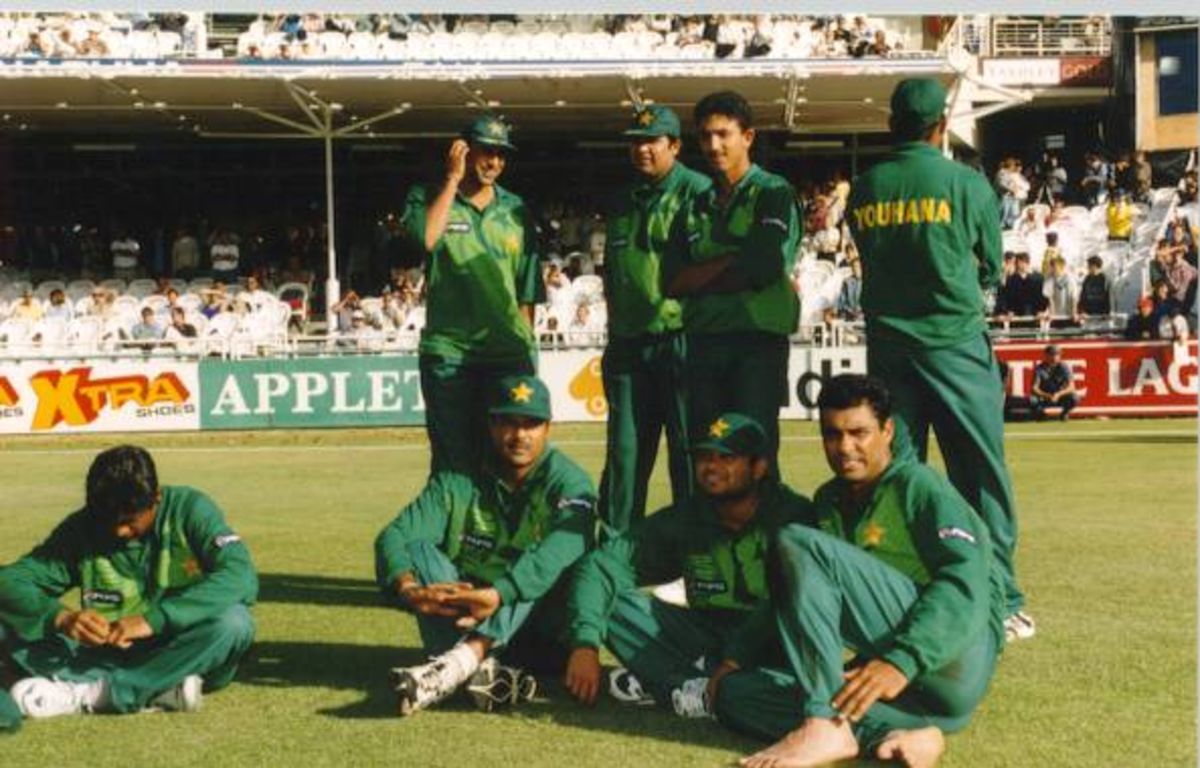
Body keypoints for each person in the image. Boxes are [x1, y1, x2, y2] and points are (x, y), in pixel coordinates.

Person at [729, 375, 1004, 768]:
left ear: (887, 431)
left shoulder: (919, 486)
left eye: (859, 433)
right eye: (832, 434)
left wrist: (901, 661)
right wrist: (736, 656)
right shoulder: (829, 499)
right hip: (915, 696)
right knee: (737, 696)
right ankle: (898, 736)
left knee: (796, 541)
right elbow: (795, 589)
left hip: (954, 660)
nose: (844, 447)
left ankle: (823, 723)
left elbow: (966, 583)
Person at [846, 78, 1030, 640]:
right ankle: (1000, 599)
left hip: (889, 349)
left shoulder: (866, 187)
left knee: (896, 475)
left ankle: (892, 594)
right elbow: (993, 265)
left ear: (890, 123)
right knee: (978, 475)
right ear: (940, 125)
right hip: (953, 343)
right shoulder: (964, 182)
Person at [564, 413, 812, 717]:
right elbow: (602, 566)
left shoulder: (794, 516)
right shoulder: (686, 517)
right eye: (704, 457)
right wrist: (585, 643)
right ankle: (691, 688)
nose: (711, 467)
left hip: (773, 641)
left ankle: (682, 683)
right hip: (706, 634)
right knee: (615, 602)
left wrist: (736, 658)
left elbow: (794, 603)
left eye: (726, 458)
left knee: (788, 680)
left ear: (758, 467)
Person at [376, 375, 596, 716]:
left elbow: (569, 544)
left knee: (543, 558)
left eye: (531, 424)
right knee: (418, 549)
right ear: (492, 426)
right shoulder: (458, 477)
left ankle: (461, 661)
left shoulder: (569, 480)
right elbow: (394, 535)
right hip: (466, 616)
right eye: (508, 422)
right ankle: (483, 671)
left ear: (548, 428)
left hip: (538, 630)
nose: (519, 435)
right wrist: (408, 588)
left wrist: (500, 594)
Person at [0, 445, 257, 720]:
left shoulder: (190, 509)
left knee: (234, 624)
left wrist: (152, 621)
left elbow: (240, 576)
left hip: (183, 651)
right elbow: (11, 580)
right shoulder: (82, 527)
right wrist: (60, 618)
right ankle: (158, 689)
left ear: (156, 498)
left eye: (130, 521)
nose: (118, 531)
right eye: (107, 521)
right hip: (105, 656)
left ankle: (95, 695)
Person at [663, 90, 802, 475]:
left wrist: (701, 275)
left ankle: (766, 537)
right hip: (703, 345)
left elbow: (762, 268)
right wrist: (733, 259)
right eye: (706, 135)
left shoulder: (773, 192)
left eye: (723, 134)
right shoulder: (694, 204)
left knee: (754, 456)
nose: (713, 145)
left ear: (749, 137)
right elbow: (671, 283)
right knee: (709, 460)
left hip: (756, 344)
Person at [401, 116, 545, 474]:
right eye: (486, 152)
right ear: (462, 150)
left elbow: (527, 288)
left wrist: (527, 347)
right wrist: (451, 179)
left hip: (507, 355)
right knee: (453, 462)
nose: (494, 162)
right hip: (450, 354)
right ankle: (455, 532)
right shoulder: (427, 196)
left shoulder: (515, 209)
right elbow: (427, 239)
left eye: (501, 154)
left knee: (510, 463)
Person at [598, 105, 711, 535]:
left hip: (681, 341)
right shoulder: (623, 201)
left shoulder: (698, 191)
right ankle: (614, 556)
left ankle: (693, 557)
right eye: (635, 141)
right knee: (624, 456)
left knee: (686, 455)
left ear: (675, 145)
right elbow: (614, 271)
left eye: (651, 141)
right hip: (628, 347)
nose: (641, 149)